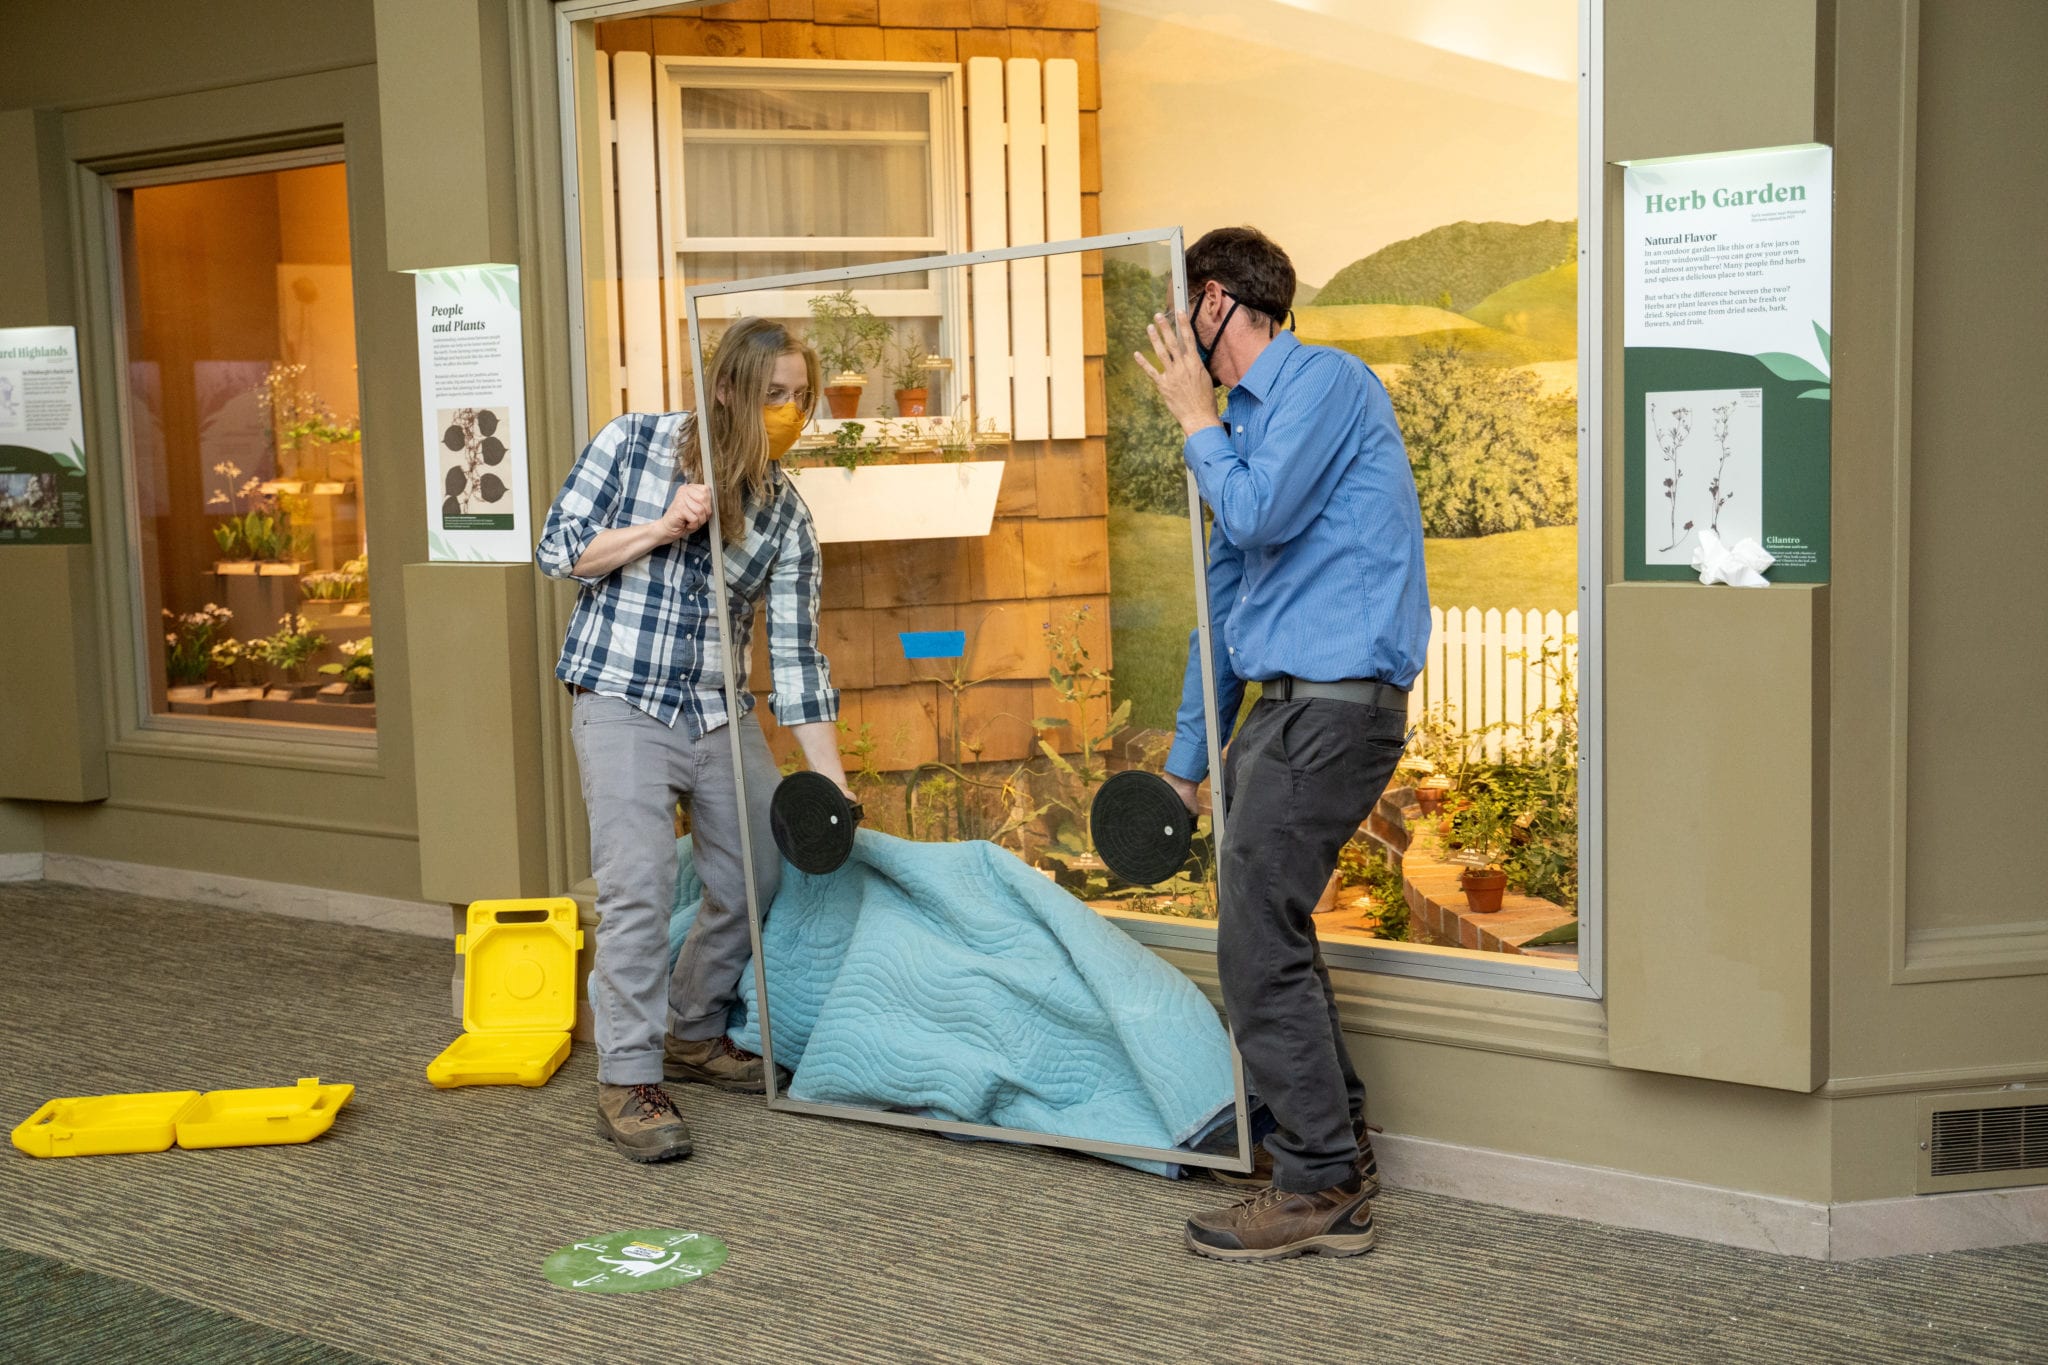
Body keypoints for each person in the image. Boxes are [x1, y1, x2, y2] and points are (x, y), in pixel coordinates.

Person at [1135, 226, 1430, 1260]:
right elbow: (1218, 609)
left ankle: (1317, 1183)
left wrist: (1192, 420)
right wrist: (1184, 764)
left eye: (1177, 314)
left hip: (1340, 703)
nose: (1168, 340)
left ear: (1214, 301)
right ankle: (1332, 1148)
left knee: (1257, 936)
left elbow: (1254, 520)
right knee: (1268, 928)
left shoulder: (1326, 385)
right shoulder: (1238, 434)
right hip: (1283, 706)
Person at [536, 316, 853, 1164]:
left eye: (799, 397)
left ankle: (692, 1028)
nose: (788, 412)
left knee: (758, 869)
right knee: (636, 887)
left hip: (717, 709)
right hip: (621, 697)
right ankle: (630, 1076)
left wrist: (831, 784)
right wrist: (662, 526)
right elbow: (558, 547)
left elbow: (794, 657)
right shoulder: (632, 443)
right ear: (725, 390)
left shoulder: (785, 514)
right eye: (772, 395)